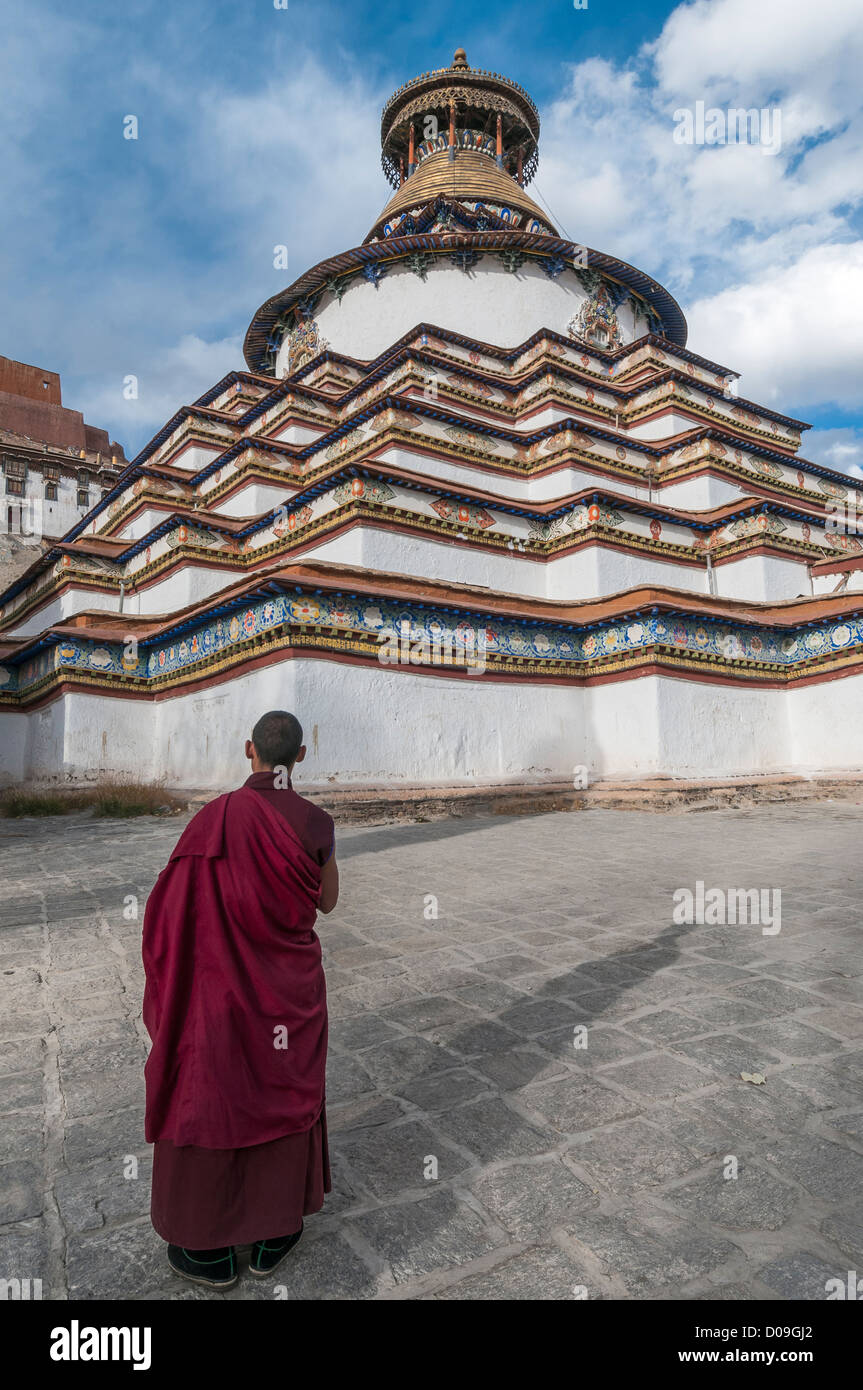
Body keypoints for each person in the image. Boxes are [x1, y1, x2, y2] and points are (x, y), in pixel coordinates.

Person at [142, 710, 338, 1289]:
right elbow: (326, 904)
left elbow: (165, 917)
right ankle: (276, 1230)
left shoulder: (211, 819)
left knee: (215, 1088)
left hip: (219, 993)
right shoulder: (315, 823)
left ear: (246, 750)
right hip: (287, 992)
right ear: (301, 757)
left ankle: (206, 1248)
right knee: (282, 1087)